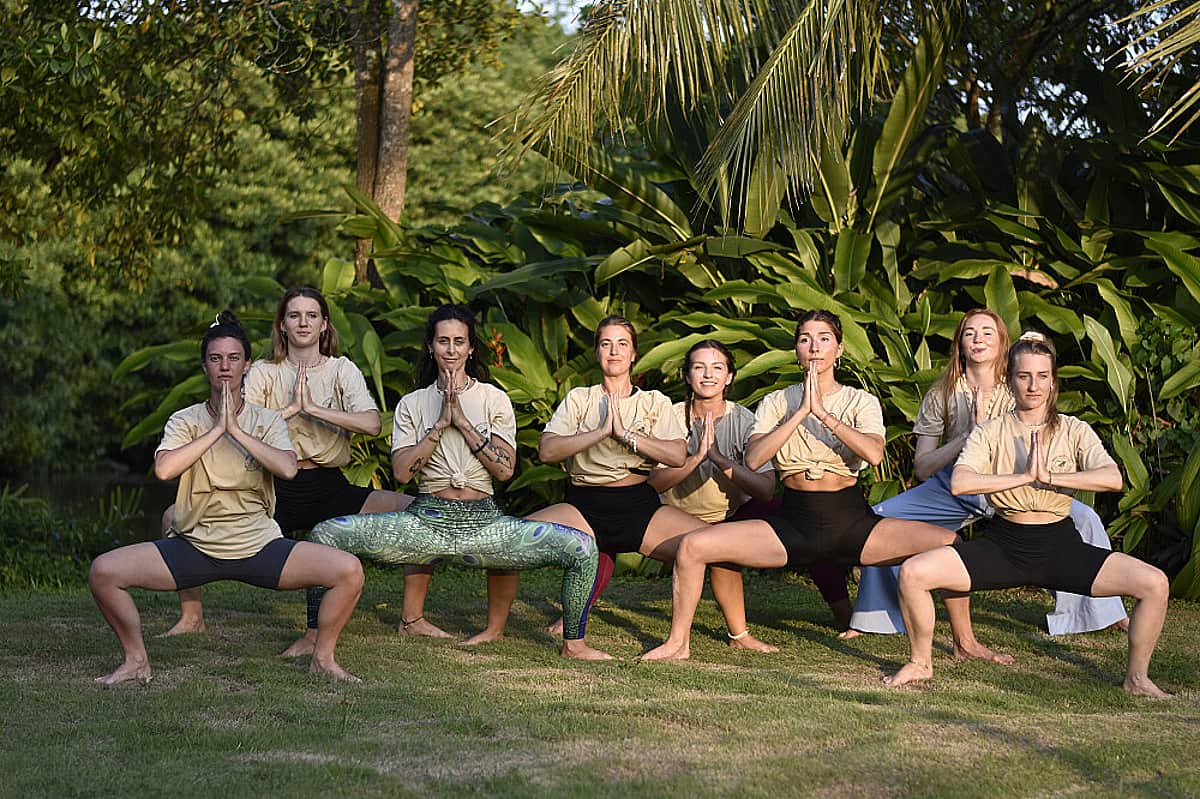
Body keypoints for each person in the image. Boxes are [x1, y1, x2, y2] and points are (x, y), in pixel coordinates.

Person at [640, 310, 1009, 661]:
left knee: (948, 543)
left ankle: (965, 642)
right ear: (797, 350)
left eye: (824, 338)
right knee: (693, 545)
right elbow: (753, 459)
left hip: (851, 522)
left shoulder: (860, 400)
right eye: (805, 339)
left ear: (839, 349)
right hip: (792, 523)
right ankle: (677, 643)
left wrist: (825, 415)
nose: (814, 347)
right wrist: (801, 411)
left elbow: (874, 454)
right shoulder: (776, 402)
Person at [308, 304, 612, 659]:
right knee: (325, 533)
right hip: (425, 522)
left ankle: (574, 644)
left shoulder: (494, 399)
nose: (451, 349)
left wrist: (464, 424)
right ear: (430, 346)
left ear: (470, 348)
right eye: (443, 341)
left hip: (485, 524)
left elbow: (505, 471)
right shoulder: (412, 403)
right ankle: (313, 636)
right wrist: (439, 425)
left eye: (459, 341)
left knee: (582, 548)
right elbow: (403, 474)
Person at [885, 332, 1170, 697]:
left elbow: (1112, 478)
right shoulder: (990, 431)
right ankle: (921, 663)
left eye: (1042, 376)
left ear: (1053, 381)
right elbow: (960, 482)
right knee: (913, 572)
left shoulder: (1074, 429)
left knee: (1155, 583)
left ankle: (1137, 679)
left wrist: (1050, 477)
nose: (1033, 386)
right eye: (1024, 376)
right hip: (1004, 545)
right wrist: (1021, 477)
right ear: (1010, 381)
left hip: (1061, 547)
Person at [89, 313, 365, 684]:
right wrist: (216, 430)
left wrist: (236, 430)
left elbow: (287, 469)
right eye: (216, 358)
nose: (225, 366)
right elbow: (165, 470)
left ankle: (324, 658)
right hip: (196, 545)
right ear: (204, 365)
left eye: (234, 358)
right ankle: (136, 661)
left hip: (259, 546)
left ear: (246, 365)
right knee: (104, 572)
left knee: (349, 571)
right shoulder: (185, 420)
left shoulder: (267, 420)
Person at [846, 309, 1127, 638]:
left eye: (987, 332)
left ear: (1003, 343)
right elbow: (922, 467)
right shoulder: (941, 394)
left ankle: (1102, 613)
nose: (978, 339)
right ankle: (877, 617)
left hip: (1014, 487)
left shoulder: (1020, 385)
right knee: (883, 518)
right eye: (970, 333)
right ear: (960, 344)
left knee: (1085, 518)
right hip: (953, 488)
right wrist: (967, 436)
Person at [163, 287, 413, 655]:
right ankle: (191, 616)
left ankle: (411, 618)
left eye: (312, 315)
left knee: (414, 510)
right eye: (294, 315)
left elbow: (372, 424)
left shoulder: (341, 369)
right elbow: (239, 424)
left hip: (329, 485)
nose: (303, 323)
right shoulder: (264, 371)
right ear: (282, 324)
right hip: (275, 485)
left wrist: (315, 409)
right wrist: (292, 411)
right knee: (173, 516)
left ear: (324, 324)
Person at [524, 317, 777, 652]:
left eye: (622, 344)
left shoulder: (667, 406)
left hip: (655, 510)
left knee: (717, 548)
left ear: (633, 355)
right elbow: (548, 451)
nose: (708, 375)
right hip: (605, 504)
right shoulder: (583, 399)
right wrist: (602, 431)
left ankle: (731, 636)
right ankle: (549, 622)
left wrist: (710, 456)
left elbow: (678, 456)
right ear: (687, 375)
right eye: (605, 344)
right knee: (513, 541)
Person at [648, 339, 851, 634]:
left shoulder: (744, 420)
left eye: (717, 368)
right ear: (688, 376)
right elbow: (653, 484)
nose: (708, 375)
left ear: (729, 377)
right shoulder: (669, 416)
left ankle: (846, 614)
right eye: (699, 367)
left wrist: (719, 459)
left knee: (808, 531)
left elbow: (766, 489)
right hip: (675, 515)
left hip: (734, 514)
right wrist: (695, 459)